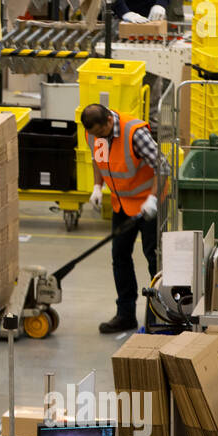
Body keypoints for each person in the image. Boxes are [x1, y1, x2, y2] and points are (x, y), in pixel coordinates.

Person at [81, 103, 171, 334]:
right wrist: (96, 187)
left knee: (155, 259)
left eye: (101, 133)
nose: (97, 137)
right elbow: (98, 158)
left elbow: (164, 166)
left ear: (109, 122)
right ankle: (125, 314)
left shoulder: (135, 133)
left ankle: (160, 316)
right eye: (94, 135)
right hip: (122, 204)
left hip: (150, 204)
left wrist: (152, 199)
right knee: (119, 257)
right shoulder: (94, 133)